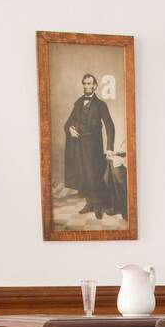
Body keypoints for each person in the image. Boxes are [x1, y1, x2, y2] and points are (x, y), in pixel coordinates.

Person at [63, 75, 115, 220]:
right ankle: (89, 203)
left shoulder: (100, 105)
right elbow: (68, 123)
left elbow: (110, 126)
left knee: (94, 175)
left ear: (95, 86)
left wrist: (109, 147)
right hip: (79, 146)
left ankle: (98, 205)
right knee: (83, 174)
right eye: (85, 83)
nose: (87, 86)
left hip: (93, 146)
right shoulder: (78, 103)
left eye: (90, 83)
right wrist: (70, 129)